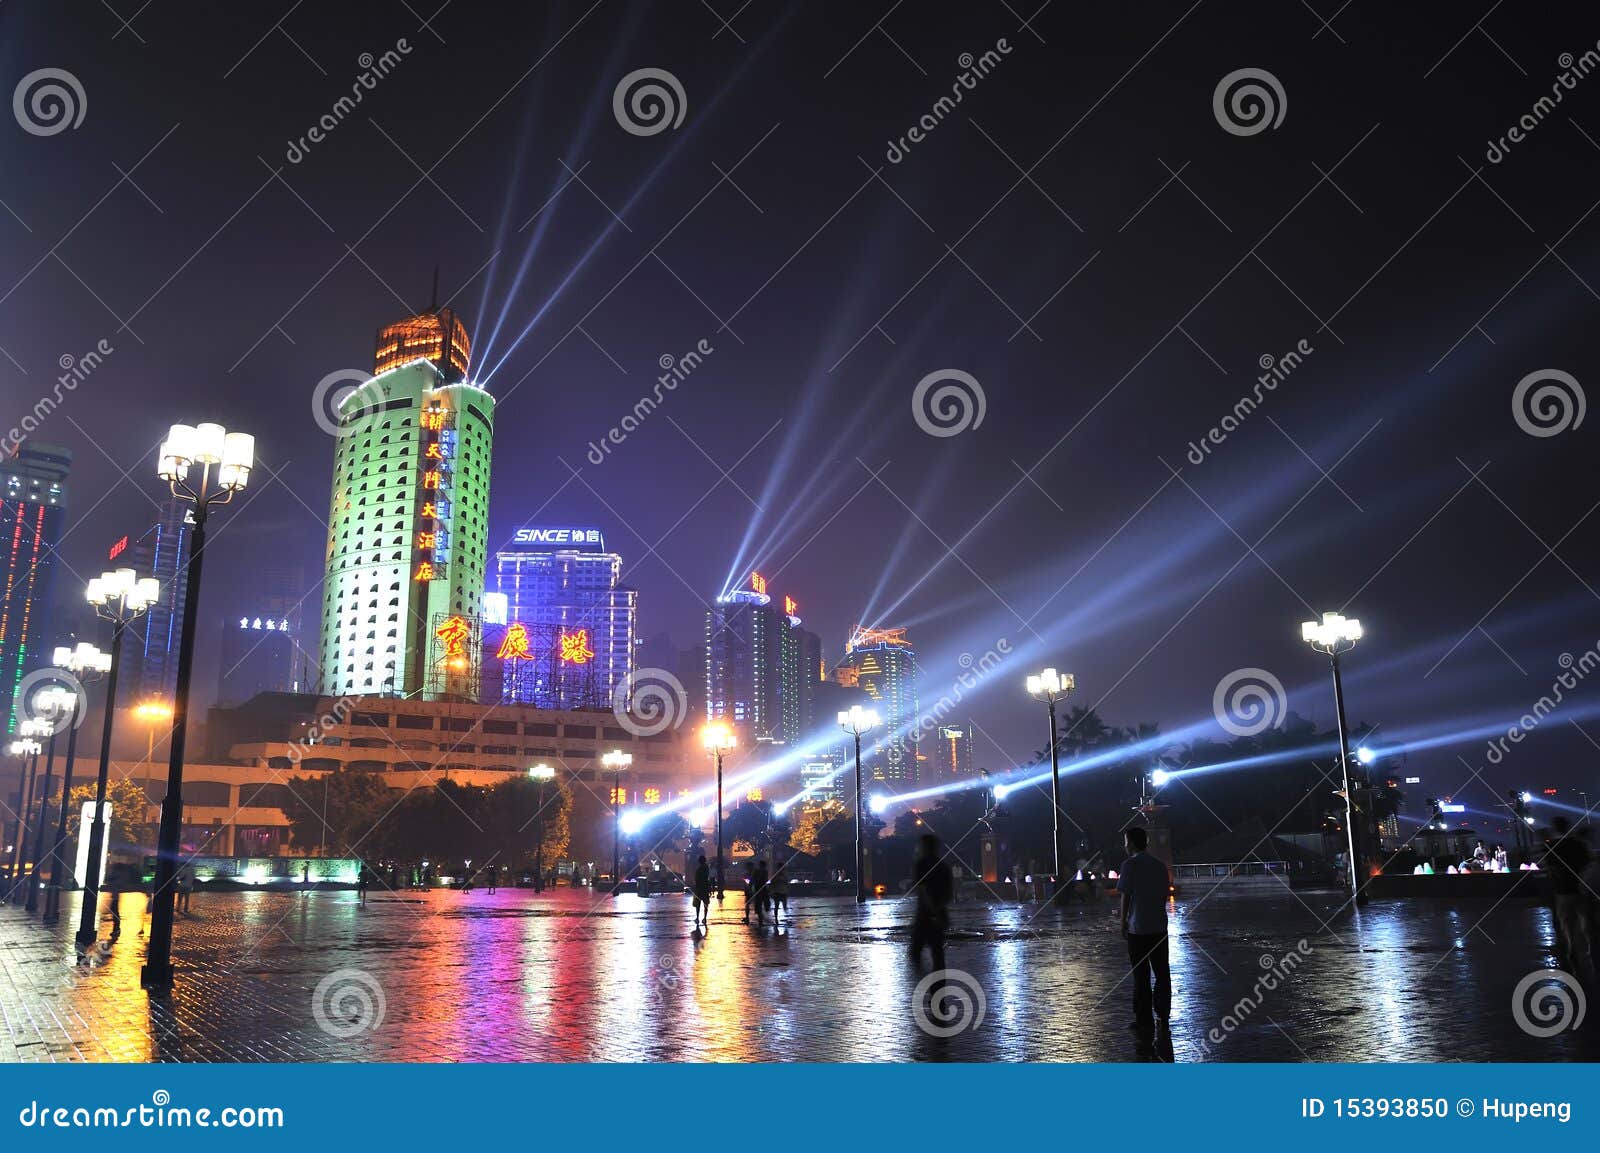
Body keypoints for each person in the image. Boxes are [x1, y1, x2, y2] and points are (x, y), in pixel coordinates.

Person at [1116, 826, 1171, 1056]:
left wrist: (1122, 921)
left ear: (1132, 843)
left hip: (1138, 929)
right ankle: (1163, 1015)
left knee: (1141, 975)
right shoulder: (1159, 866)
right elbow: (1163, 895)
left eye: (1125, 841)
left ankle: (1143, 1018)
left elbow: (1125, 895)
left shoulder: (1129, 866)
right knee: (1161, 972)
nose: (1124, 845)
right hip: (1159, 927)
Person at [1544, 818, 1593, 976]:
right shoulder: (1579, 845)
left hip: (1563, 892)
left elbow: (1551, 870)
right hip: (1581, 890)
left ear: (1555, 828)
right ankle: (1590, 948)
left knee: (1567, 924)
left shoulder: (1552, 846)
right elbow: (1589, 866)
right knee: (1586, 921)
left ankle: (1572, 950)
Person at [909, 834, 954, 971]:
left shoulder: (921, 865)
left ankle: (923, 980)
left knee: (915, 952)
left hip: (924, 916)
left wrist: (932, 910)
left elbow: (923, 891)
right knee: (938, 954)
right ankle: (938, 987)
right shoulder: (943, 866)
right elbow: (948, 893)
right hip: (939, 914)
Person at [692, 855, 711, 927]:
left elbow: (697, 879)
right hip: (705, 888)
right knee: (705, 904)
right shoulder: (706, 868)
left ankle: (697, 917)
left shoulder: (699, 869)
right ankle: (705, 918)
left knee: (698, 904)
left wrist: (696, 887)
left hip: (700, 888)